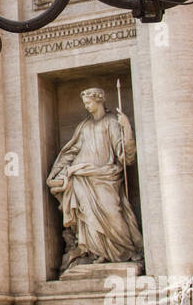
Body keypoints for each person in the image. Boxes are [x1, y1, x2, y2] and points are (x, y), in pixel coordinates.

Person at [47, 87, 143, 270]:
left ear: (99, 101)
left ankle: (125, 251)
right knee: (87, 216)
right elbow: (72, 151)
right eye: (85, 103)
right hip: (82, 178)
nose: (87, 106)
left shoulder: (112, 122)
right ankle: (96, 252)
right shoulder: (84, 126)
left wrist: (127, 128)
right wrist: (57, 171)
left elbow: (124, 155)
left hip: (106, 177)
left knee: (113, 214)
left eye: (89, 102)